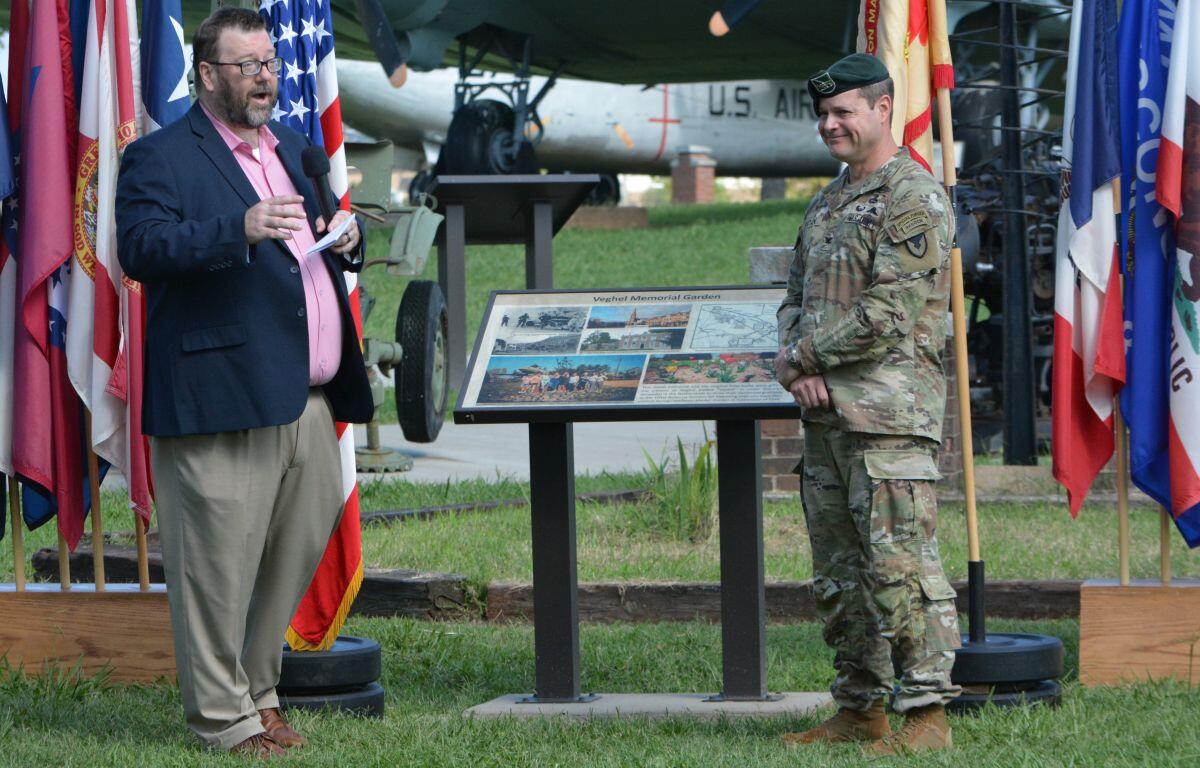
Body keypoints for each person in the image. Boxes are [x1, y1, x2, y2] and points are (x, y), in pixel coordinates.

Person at [115, 8, 373, 759]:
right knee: (217, 572)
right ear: (207, 76)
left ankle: (259, 696)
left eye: (270, 64)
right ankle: (222, 721)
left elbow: (315, 243)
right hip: (219, 394)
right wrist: (239, 228)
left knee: (288, 558)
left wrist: (347, 240)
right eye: (247, 66)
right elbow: (139, 248)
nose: (265, 78)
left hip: (308, 396)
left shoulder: (295, 147)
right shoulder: (162, 156)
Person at [774, 53, 961, 756]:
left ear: (883, 109)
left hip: (888, 419)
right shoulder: (827, 201)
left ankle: (928, 715)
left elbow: (889, 311)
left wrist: (805, 358)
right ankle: (859, 707)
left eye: (844, 111)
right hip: (825, 417)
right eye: (823, 115)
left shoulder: (914, 198)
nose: (830, 124)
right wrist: (798, 366)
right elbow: (794, 297)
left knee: (900, 568)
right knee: (841, 577)